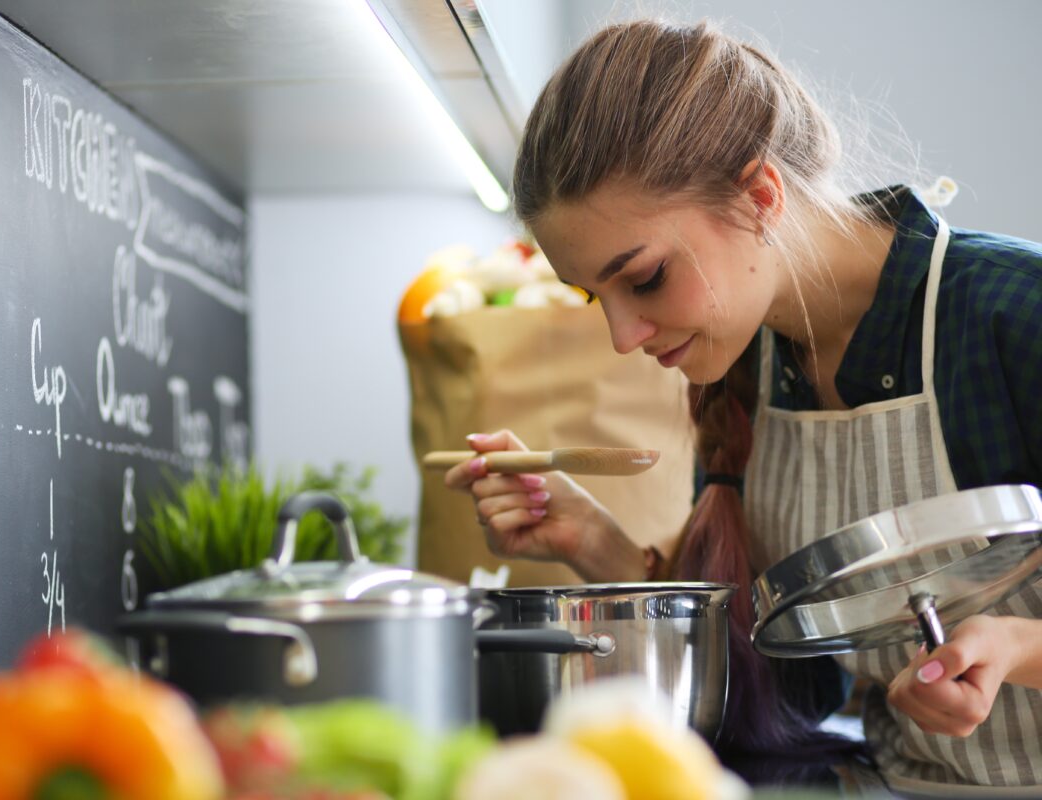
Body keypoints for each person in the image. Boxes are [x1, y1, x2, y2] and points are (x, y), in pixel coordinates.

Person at [443, 18, 1042, 795]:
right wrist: (593, 540)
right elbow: (783, 689)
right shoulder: (745, 367)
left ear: (760, 196)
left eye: (646, 277)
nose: (623, 336)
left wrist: (1018, 646)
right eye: (596, 296)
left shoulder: (1011, 311)